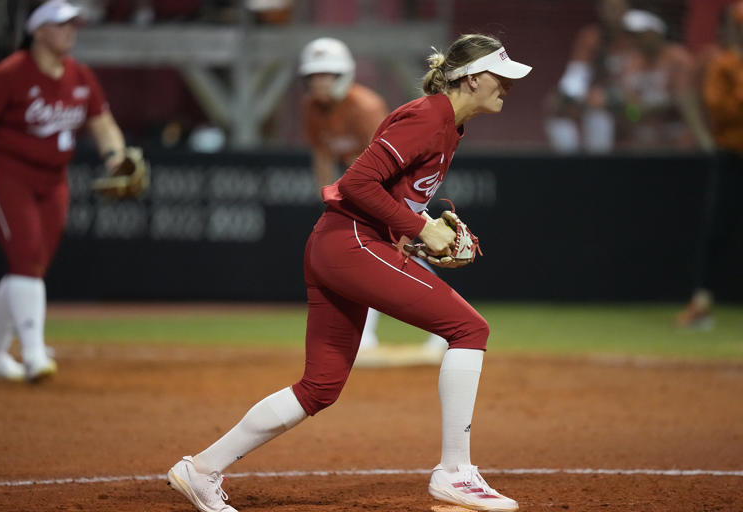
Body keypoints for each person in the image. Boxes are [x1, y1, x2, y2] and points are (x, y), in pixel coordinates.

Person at [167, 33, 531, 512]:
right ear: (472, 77)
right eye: (500, 77)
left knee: (319, 388)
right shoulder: (428, 116)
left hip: (342, 244)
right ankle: (456, 473)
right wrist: (422, 226)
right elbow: (356, 181)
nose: (506, 86)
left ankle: (201, 469)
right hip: (351, 243)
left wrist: (415, 233)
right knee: (468, 328)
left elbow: (388, 195)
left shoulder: (449, 125)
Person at [0, 0, 129, 381]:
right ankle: (33, 355)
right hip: (8, 172)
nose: (70, 31)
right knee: (26, 257)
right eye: (61, 25)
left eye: (73, 24)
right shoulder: (9, 73)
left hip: (54, 178)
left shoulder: (80, 76)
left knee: (32, 264)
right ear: (38, 30)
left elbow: (104, 125)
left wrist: (115, 158)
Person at [300, 36, 448, 366]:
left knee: (392, 257)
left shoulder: (366, 107)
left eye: (326, 74)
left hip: (393, 189)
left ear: (343, 76)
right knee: (370, 263)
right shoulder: (312, 108)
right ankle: (367, 338)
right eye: (312, 76)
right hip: (358, 192)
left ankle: (444, 322)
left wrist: (391, 213)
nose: (318, 82)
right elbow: (323, 156)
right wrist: (330, 203)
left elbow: (388, 165)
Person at [676, 0, 743, 328]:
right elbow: (722, 110)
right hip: (731, 156)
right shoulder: (723, 64)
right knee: (717, 230)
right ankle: (702, 302)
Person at [615, 9, 714, 151]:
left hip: (677, 139)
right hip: (641, 142)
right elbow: (629, 107)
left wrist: (646, 109)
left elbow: (684, 99)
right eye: (631, 35)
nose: (634, 40)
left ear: (655, 33)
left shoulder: (677, 58)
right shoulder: (631, 64)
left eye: (639, 34)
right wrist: (635, 112)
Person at [545, 0, 632, 153]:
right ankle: (571, 166)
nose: (613, 13)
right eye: (609, 8)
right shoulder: (592, 37)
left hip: (634, 107)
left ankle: (600, 166)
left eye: (617, 8)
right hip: (605, 99)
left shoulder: (638, 36)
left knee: (599, 107)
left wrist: (610, 95)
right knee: (558, 107)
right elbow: (577, 74)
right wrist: (570, 96)